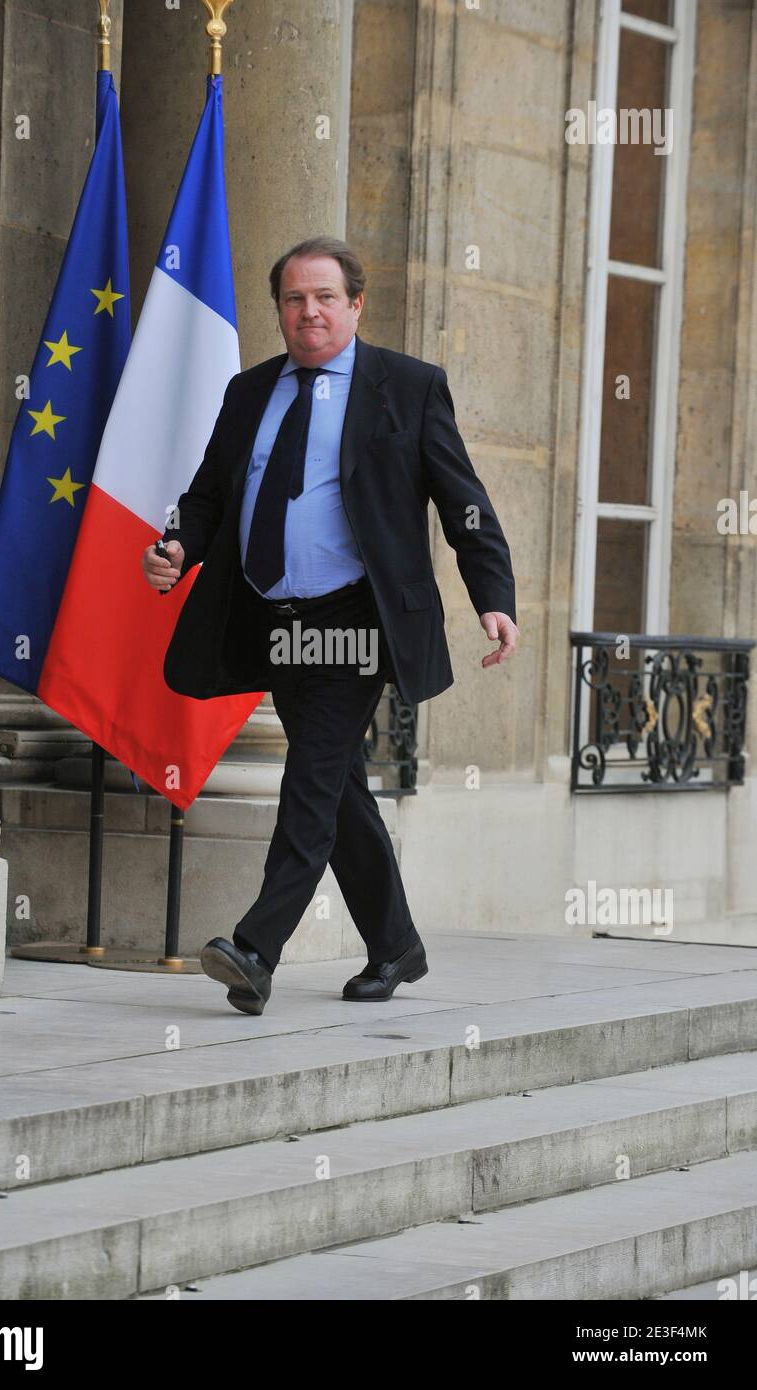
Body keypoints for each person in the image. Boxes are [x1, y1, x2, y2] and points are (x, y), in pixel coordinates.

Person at [141, 236, 519, 1015]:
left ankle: (255, 948)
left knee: (311, 776)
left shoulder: (406, 388)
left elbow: (462, 500)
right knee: (340, 786)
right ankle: (395, 948)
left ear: (355, 304)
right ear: (278, 308)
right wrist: (178, 544)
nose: (307, 311)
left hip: (356, 619)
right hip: (275, 617)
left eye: (323, 297)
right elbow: (209, 495)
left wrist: (494, 594)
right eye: (292, 298)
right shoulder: (250, 392)